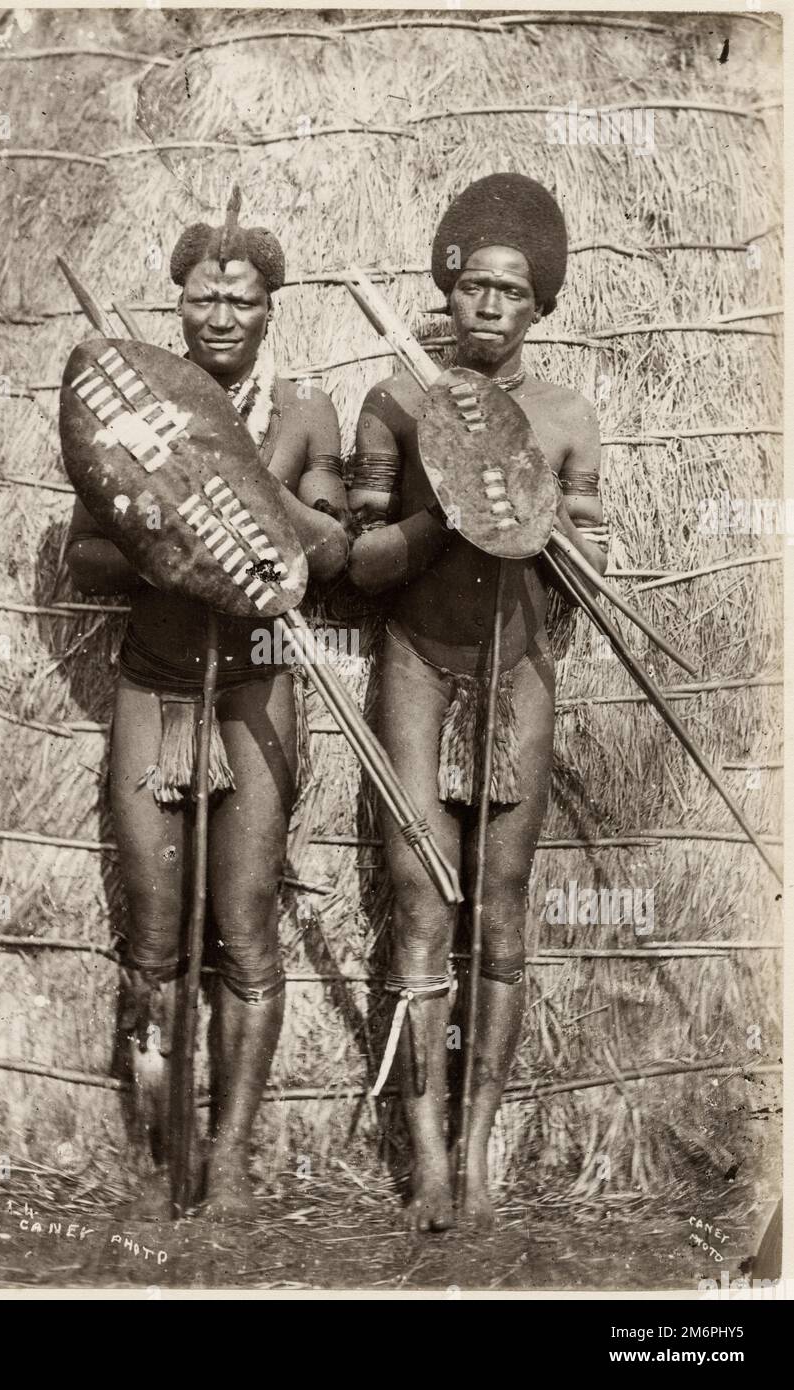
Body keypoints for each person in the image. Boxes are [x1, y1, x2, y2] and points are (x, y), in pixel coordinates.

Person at [66, 190, 349, 1218]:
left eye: (240, 299)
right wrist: (168, 545)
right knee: (150, 934)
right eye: (200, 298)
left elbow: (335, 551)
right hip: (156, 686)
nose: (220, 317)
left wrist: (230, 484)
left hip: (254, 690)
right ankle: (159, 1151)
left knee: (242, 927)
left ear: (271, 306)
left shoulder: (306, 411)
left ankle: (227, 1157)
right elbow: (82, 546)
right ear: (177, 304)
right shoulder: (134, 404)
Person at [348, 173, 609, 1232]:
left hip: (518, 670)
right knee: (420, 901)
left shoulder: (562, 414)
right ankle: (420, 1158)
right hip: (418, 659)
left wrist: (532, 515)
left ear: (537, 306)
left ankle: (479, 1151)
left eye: (511, 290)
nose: (489, 305)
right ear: (447, 293)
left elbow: (590, 572)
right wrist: (438, 513)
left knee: (499, 915)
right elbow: (354, 565)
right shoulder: (396, 398)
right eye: (472, 287)